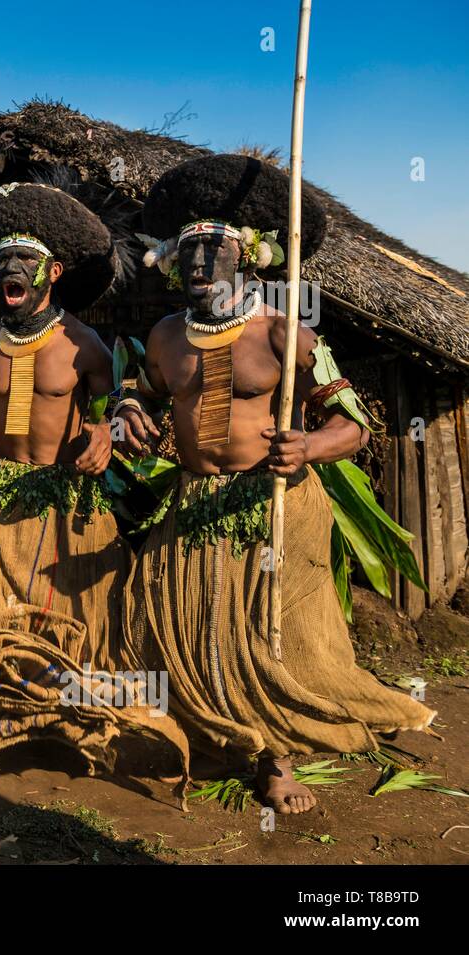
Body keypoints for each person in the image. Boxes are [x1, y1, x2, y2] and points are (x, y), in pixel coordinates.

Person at [117, 154, 435, 813]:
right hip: (196, 503)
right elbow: (139, 392)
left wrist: (311, 444)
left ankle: (277, 758)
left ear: (249, 261)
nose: (200, 265)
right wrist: (126, 414)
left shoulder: (286, 334)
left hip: (273, 506)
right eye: (189, 254)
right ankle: (211, 731)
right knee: (187, 622)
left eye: (214, 252)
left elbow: (355, 427)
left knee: (272, 634)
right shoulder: (166, 336)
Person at [0, 180, 188, 774]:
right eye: (4, 261)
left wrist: (104, 438)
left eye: (26, 261)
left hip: (66, 499)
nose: (12, 269)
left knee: (65, 620)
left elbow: (117, 412)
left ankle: (62, 722)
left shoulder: (84, 344)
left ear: (53, 272)